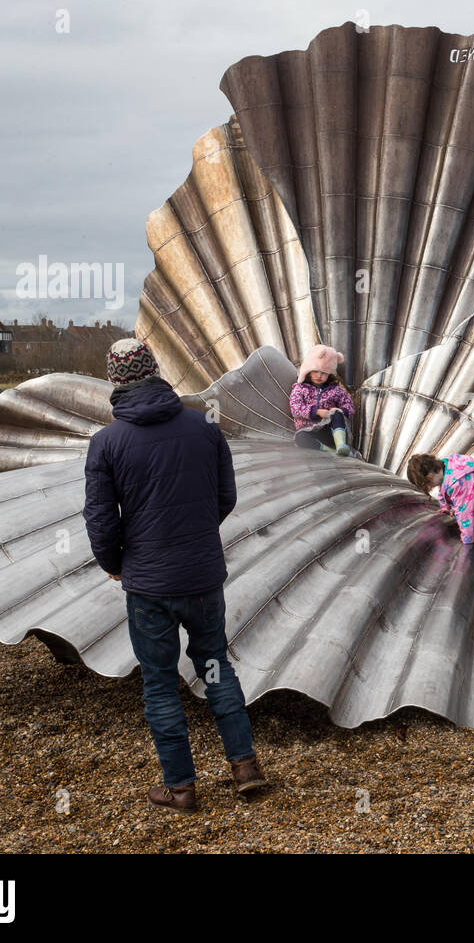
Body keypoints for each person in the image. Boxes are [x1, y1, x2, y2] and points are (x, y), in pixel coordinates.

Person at [83, 338, 266, 814]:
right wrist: (197, 536)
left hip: (148, 585)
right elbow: (225, 496)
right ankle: (244, 767)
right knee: (215, 665)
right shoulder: (203, 426)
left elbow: (101, 519)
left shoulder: (107, 442)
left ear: (114, 381)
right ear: (156, 372)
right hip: (203, 575)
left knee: (160, 682)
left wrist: (115, 563)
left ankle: (181, 788)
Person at [289, 344, 355, 455]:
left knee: (336, 414)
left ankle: (341, 445)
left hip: (331, 431)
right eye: (315, 371)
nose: (319, 376)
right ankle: (331, 451)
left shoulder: (336, 390)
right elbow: (296, 408)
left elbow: (349, 405)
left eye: (324, 373)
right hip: (310, 430)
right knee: (300, 438)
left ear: (329, 374)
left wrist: (341, 411)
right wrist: (317, 412)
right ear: (308, 371)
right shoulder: (300, 389)